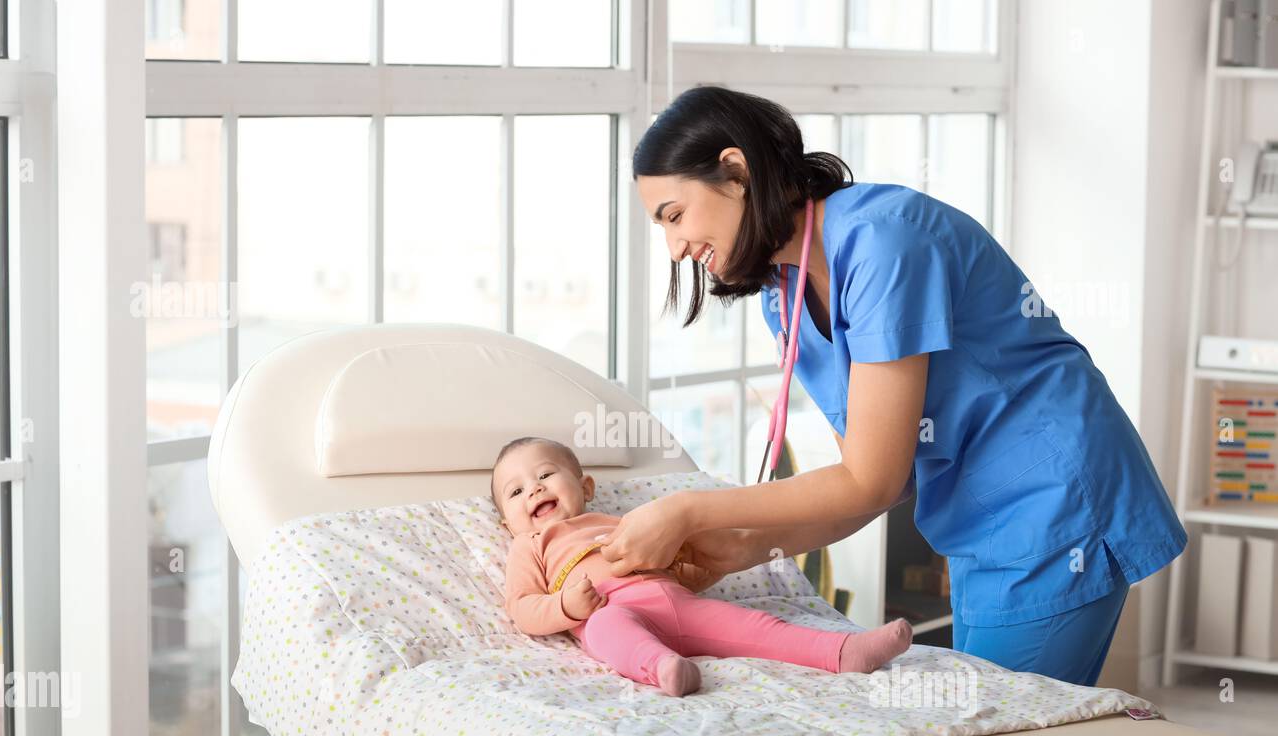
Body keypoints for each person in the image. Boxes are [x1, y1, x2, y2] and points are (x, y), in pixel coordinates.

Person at [596, 85, 1186, 687]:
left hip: (1056, 502)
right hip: (984, 526)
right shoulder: (784, 297)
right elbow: (876, 480)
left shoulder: (885, 243)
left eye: (674, 215)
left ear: (736, 170)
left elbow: (869, 478)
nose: (674, 247)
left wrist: (687, 509)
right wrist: (747, 546)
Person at [492, 436, 913, 697]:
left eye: (546, 473)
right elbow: (523, 607)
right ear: (505, 522)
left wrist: (690, 574)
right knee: (608, 632)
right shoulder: (531, 545)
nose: (536, 488)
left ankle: (842, 651)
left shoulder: (625, 523)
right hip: (608, 610)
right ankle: (662, 668)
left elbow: (670, 563)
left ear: (585, 487)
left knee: (757, 627)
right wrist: (566, 606)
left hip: (673, 600)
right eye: (516, 491)